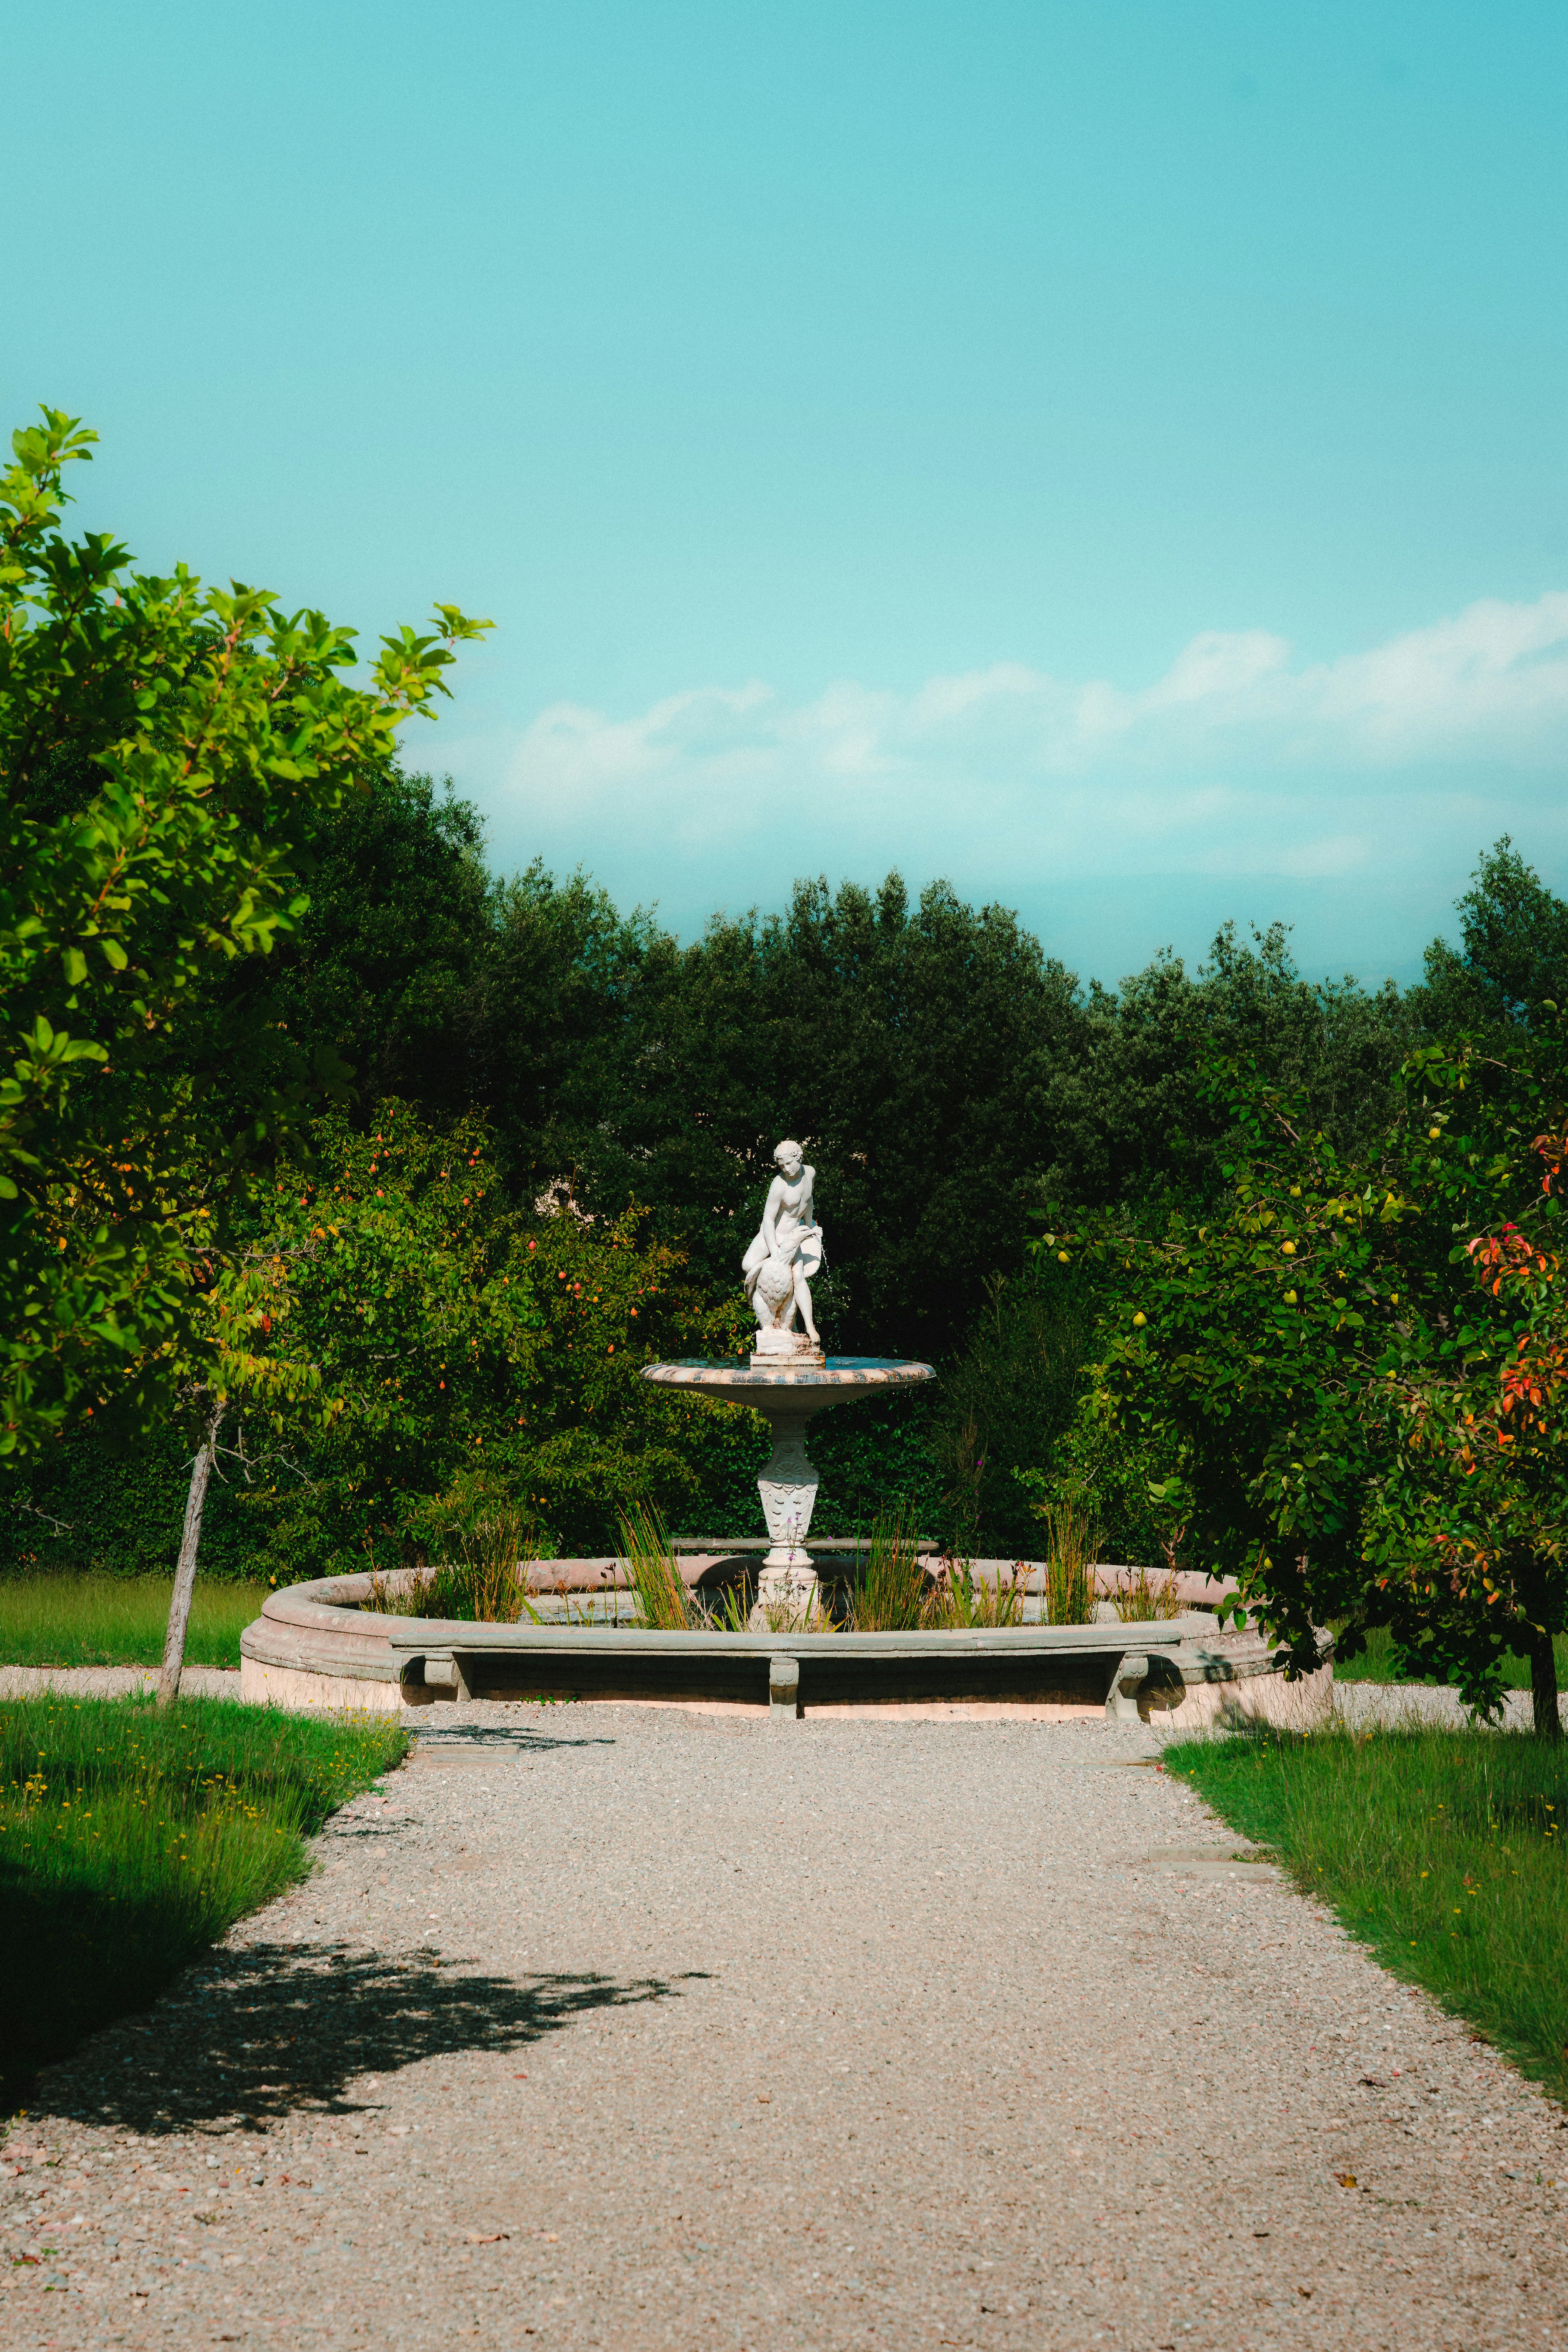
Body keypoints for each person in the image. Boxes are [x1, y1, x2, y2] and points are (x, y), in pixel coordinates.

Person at [742, 1139, 823, 1350]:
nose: (785, 1169)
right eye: (781, 1166)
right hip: (773, 1234)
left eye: (788, 1164)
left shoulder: (811, 1174)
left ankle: (809, 1326)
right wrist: (775, 1252)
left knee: (798, 1277)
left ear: (798, 1157)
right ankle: (771, 1312)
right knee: (748, 1265)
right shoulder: (779, 1185)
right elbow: (768, 1220)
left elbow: (808, 1201)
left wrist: (810, 1226)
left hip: (793, 1235)